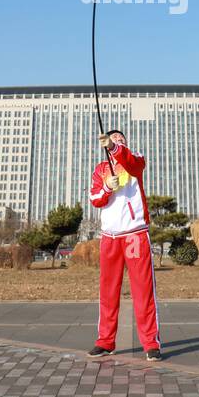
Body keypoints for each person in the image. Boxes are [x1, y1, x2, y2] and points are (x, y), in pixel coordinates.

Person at [86, 129, 161, 361]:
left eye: (121, 139)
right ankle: (105, 341)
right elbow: (95, 199)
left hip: (134, 235)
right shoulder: (100, 169)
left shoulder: (133, 159)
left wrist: (115, 149)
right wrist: (108, 186)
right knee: (108, 291)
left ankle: (151, 343)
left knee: (143, 290)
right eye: (112, 139)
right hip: (110, 237)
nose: (118, 141)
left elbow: (132, 163)